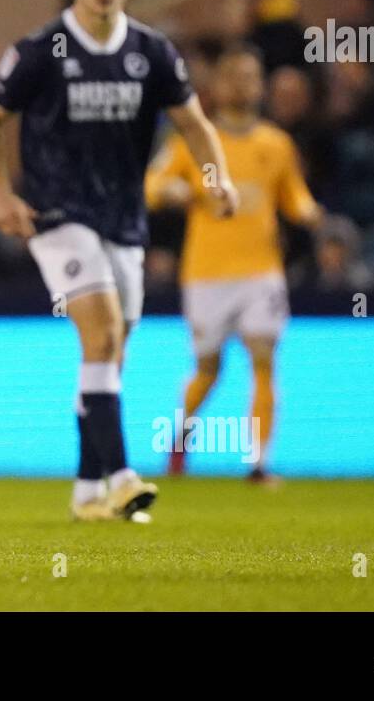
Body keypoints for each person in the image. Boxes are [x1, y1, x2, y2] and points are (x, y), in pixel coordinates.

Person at [0, 0, 237, 522]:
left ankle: (87, 490)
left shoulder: (152, 53)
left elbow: (195, 124)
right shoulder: (40, 52)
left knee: (109, 353)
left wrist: (216, 179)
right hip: (58, 212)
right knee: (103, 334)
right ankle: (120, 478)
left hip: (123, 217)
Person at [146, 47, 321, 483]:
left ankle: (259, 464)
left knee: (264, 358)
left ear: (260, 85)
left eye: (250, 76)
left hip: (261, 270)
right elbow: (153, 186)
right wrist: (176, 193)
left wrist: (308, 212)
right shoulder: (193, 141)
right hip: (206, 272)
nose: (243, 84)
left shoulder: (276, 145)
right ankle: (180, 440)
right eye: (234, 76)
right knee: (209, 368)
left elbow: (293, 194)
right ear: (217, 86)